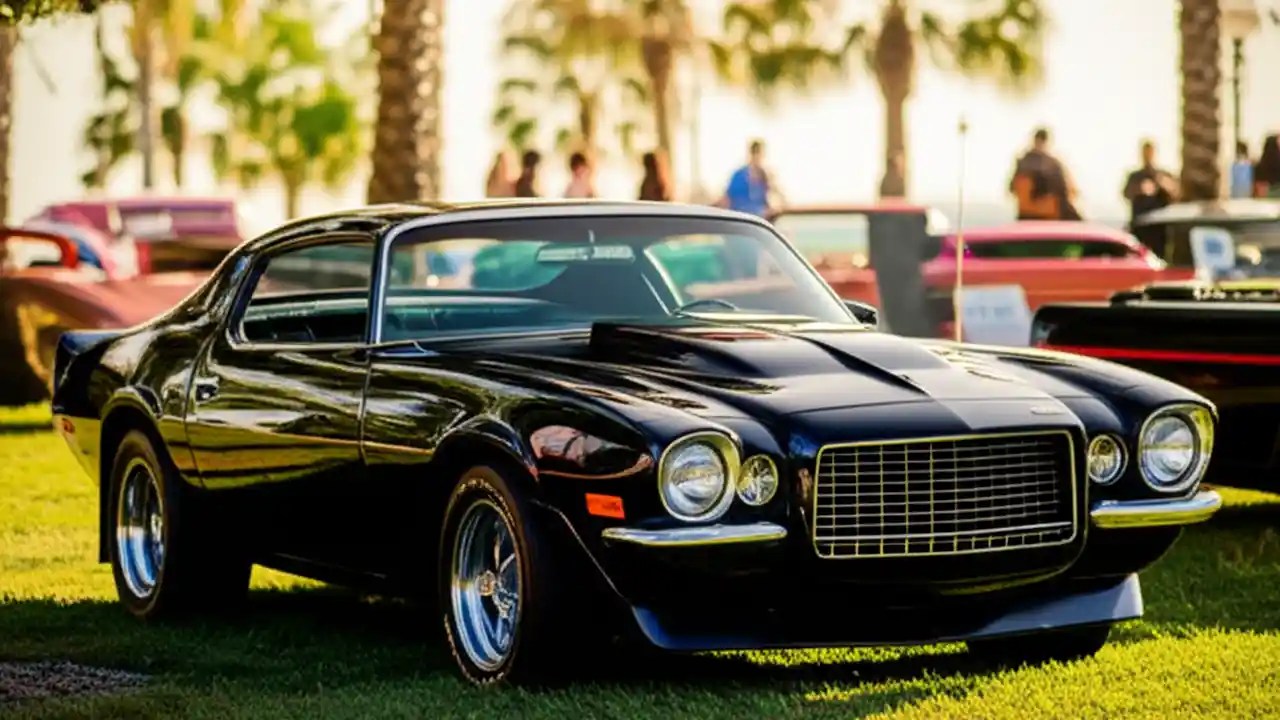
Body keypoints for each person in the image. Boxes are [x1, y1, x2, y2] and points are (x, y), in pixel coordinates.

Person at [1008, 128, 1081, 220]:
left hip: (1025, 216)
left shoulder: (1022, 162)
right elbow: (1066, 192)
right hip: (1050, 215)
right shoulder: (1053, 164)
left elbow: (1011, 189)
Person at [1122, 139, 1179, 225]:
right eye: (1145, 153)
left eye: (1149, 152)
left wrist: (1164, 184)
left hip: (1160, 223)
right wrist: (1140, 189)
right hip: (1140, 223)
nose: (1147, 155)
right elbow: (1126, 194)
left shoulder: (1163, 175)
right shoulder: (1135, 176)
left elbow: (1175, 194)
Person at [717, 139, 776, 217]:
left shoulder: (765, 176)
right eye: (757, 153)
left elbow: (772, 202)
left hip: (760, 220)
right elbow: (726, 199)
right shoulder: (739, 175)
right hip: (742, 219)